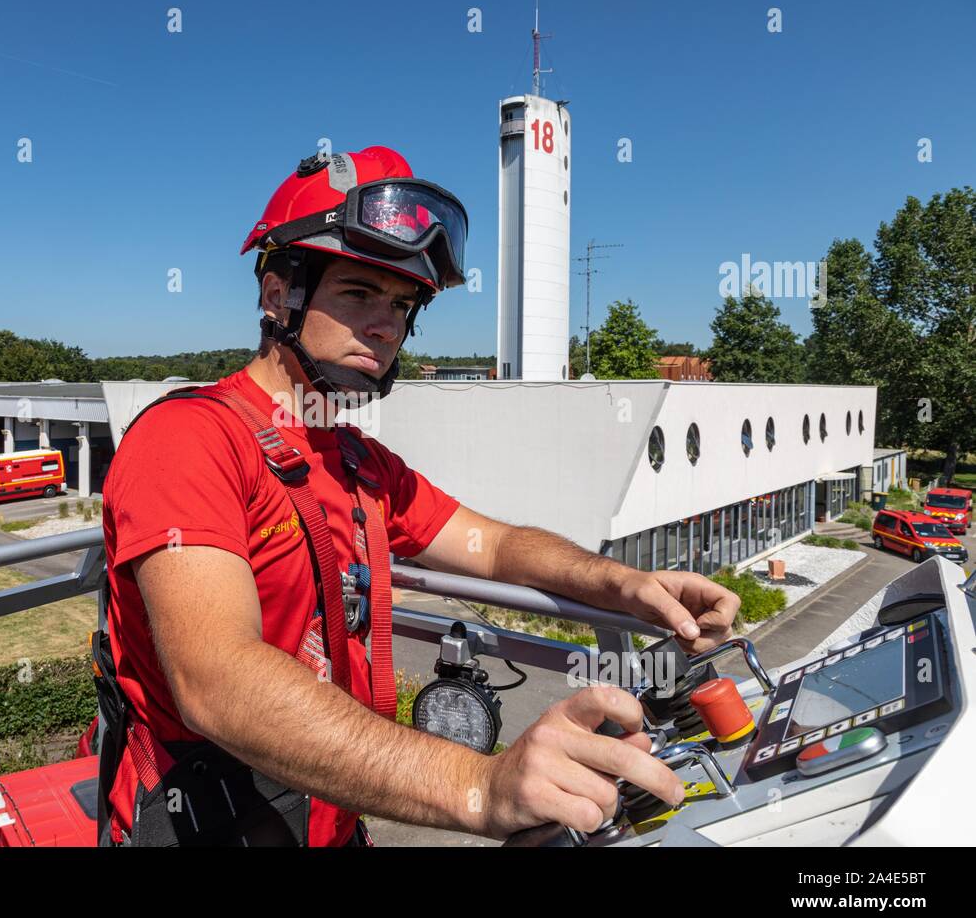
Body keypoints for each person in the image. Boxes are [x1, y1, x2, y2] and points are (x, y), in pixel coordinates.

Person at [97, 145, 741, 847]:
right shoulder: (189, 441)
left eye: (403, 305)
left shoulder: (356, 462)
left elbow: (492, 545)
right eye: (358, 293)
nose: (385, 325)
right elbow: (216, 680)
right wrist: (481, 786)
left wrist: (624, 582)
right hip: (218, 823)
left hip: (330, 815)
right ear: (279, 294)